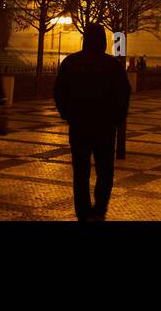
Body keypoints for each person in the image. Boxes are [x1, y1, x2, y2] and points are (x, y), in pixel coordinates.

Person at [53, 23, 131, 221]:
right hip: (105, 127)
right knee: (105, 172)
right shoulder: (113, 65)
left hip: (79, 125)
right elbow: (124, 94)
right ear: (104, 41)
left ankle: (83, 213)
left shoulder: (71, 63)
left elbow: (58, 91)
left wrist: (66, 114)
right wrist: (116, 119)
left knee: (80, 173)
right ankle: (99, 210)